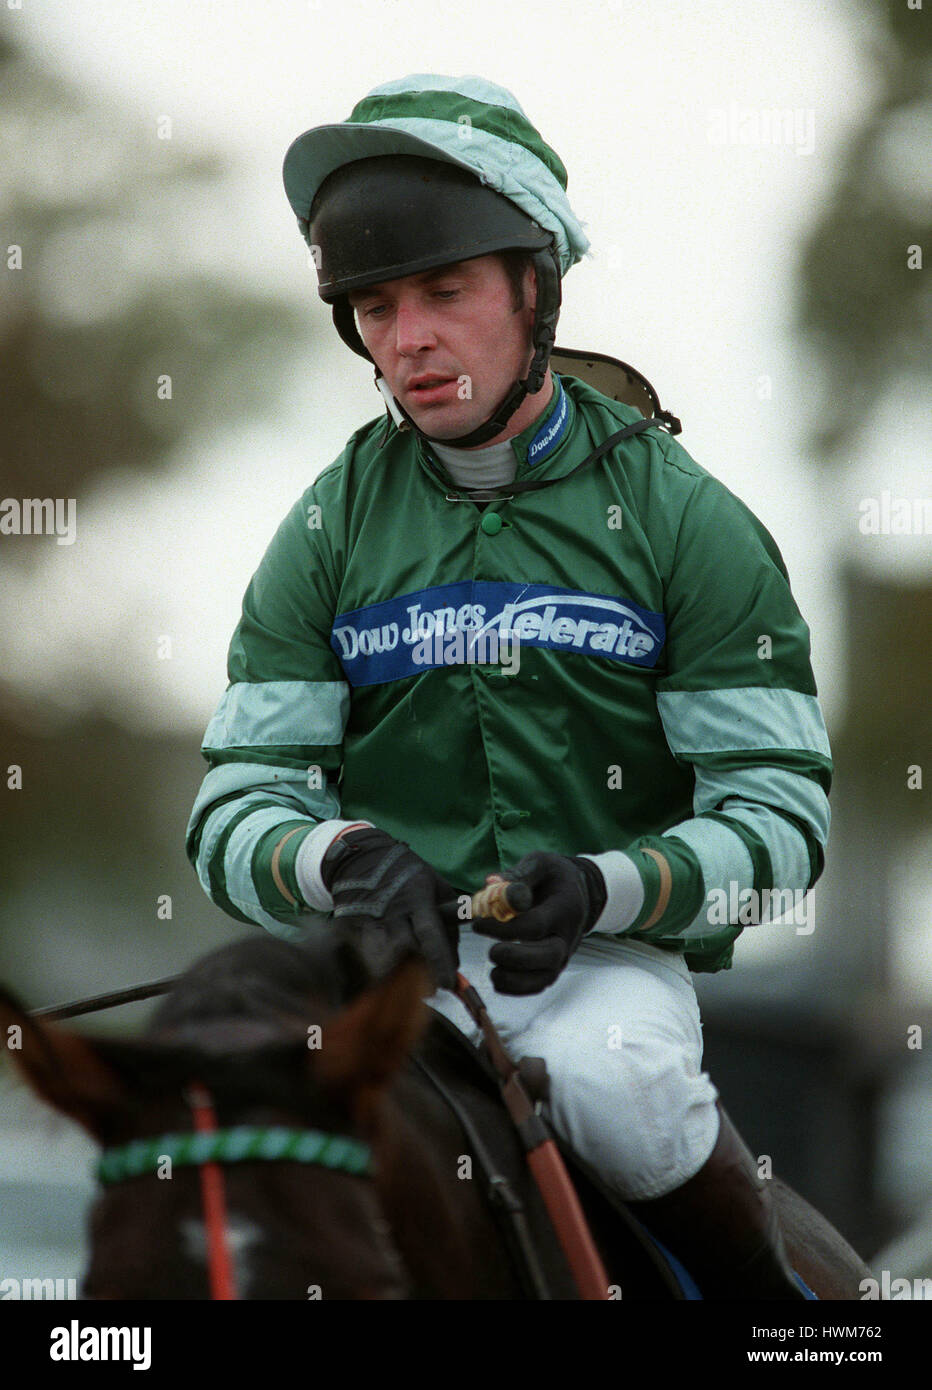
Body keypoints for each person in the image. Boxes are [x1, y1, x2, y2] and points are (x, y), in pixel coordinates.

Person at [186, 75, 832, 1300]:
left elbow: (784, 828)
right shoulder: (323, 526)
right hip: (378, 976)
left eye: (444, 292)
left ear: (532, 286)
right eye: (374, 306)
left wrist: (605, 884)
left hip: (597, 971)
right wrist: (344, 860)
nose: (408, 340)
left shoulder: (687, 521)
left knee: (620, 1087)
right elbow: (229, 809)